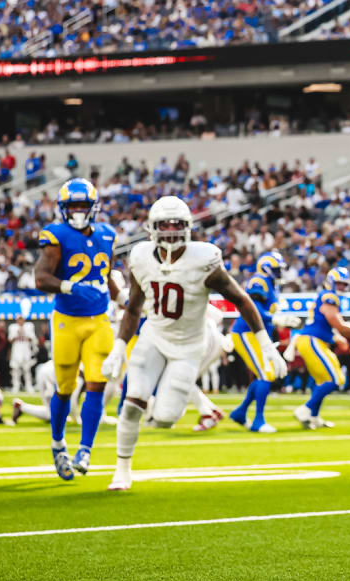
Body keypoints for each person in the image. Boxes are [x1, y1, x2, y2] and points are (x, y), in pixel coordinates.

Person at [102, 196, 285, 492]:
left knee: (164, 418)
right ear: (153, 228)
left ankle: (163, 401)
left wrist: (265, 343)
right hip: (154, 336)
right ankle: (122, 469)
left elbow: (241, 299)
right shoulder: (141, 257)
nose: (171, 230)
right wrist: (119, 347)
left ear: (188, 227)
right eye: (165, 224)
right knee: (133, 400)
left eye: (177, 224)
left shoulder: (204, 260)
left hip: (189, 346)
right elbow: (134, 307)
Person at [33, 177, 123, 480]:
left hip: (99, 319)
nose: (79, 211)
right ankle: (58, 443)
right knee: (66, 388)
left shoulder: (107, 235)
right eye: (74, 206)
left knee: (98, 382)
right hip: (66, 320)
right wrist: (70, 286)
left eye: (84, 205)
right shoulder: (56, 236)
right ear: (63, 208)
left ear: (94, 206)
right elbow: (41, 278)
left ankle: (86, 448)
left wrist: (122, 297)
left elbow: (105, 273)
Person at [289, 268, 350, 429]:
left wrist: (337, 337)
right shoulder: (329, 296)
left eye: (344, 285)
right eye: (339, 284)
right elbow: (337, 323)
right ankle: (305, 409)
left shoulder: (326, 296)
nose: (341, 288)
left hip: (314, 340)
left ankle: (313, 417)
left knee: (323, 381)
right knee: (335, 379)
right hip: (312, 340)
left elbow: (328, 324)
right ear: (331, 282)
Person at [228, 250, 286, 433]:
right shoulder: (259, 281)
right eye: (277, 269)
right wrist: (275, 319)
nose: (280, 273)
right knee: (266, 374)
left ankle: (241, 411)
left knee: (265, 373)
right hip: (246, 332)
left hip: (257, 335)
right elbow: (253, 308)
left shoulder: (271, 284)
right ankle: (258, 421)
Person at [8, 317, 38, 393]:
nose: (20, 321)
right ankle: (16, 386)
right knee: (15, 370)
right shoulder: (13, 327)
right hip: (16, 352)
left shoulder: (29, 326)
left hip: (26, 352)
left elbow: (33, 339)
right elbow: (10, 340)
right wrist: (17, 333)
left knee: (27, 370)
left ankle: (29, 386)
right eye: (19, 319)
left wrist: (24, 332)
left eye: (22, 319)